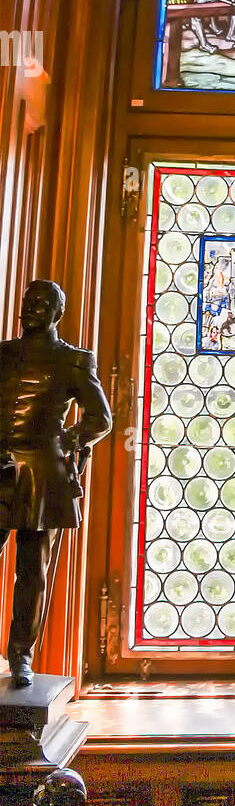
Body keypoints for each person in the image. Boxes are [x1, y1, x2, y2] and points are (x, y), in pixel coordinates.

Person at [0, 280, 111, 688]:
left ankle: (20, 656)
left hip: (41, 472)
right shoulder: (4, 355)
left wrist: (67, 441)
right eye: (28, 301)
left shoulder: (73, 361)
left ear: (57, 314)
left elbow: (100, 418)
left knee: (32, 570)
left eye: (42, 303)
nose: (32, 308)